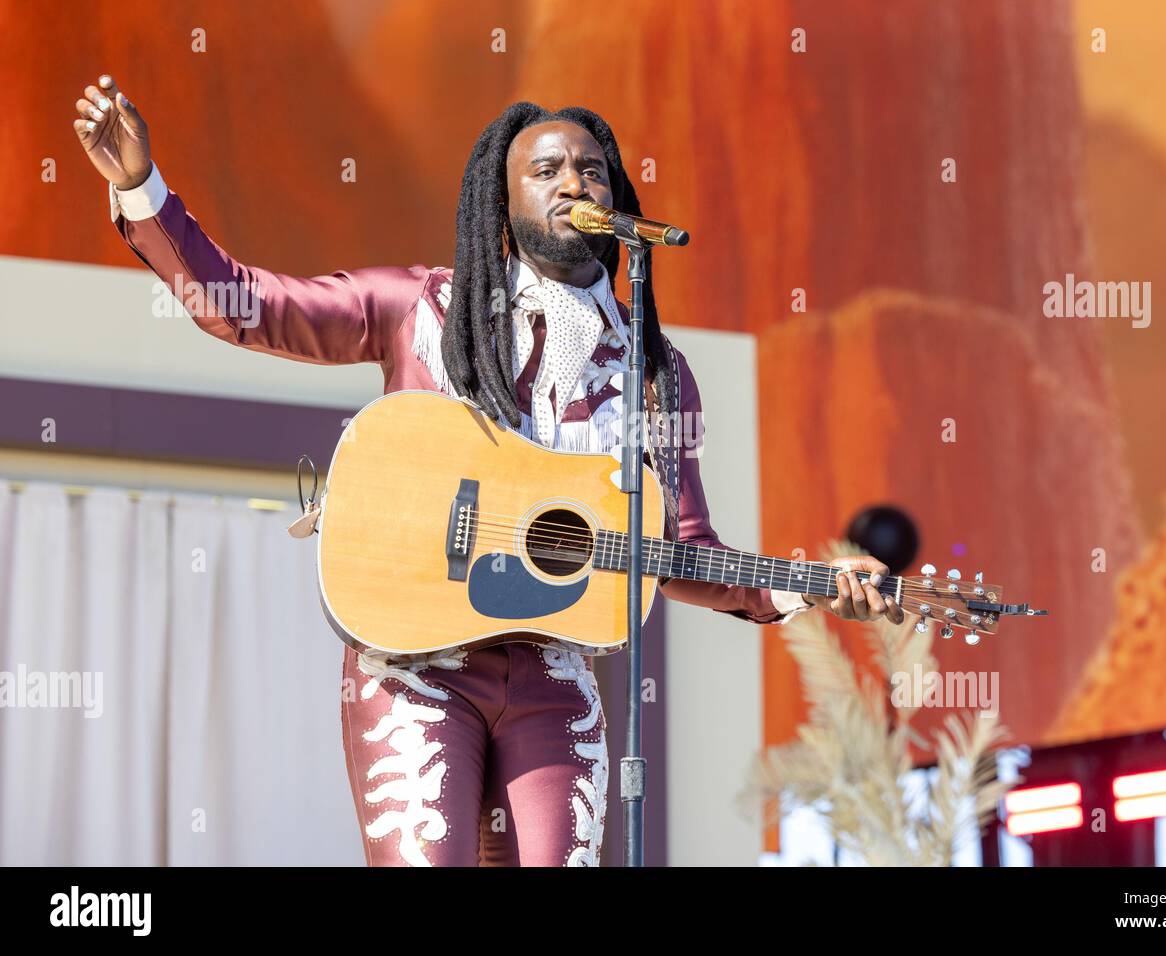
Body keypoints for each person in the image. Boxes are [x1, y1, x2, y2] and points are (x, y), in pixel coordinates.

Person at [73, 74, 906, 866]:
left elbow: (684, 550)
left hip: (554, 674)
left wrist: (812, 583)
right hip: (414, 664)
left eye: (592, 170)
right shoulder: (421, 309)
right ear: (502, 205)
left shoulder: (656, 374)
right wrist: (145, 190)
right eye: (545, 170)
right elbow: (249, 307)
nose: (574, 183)